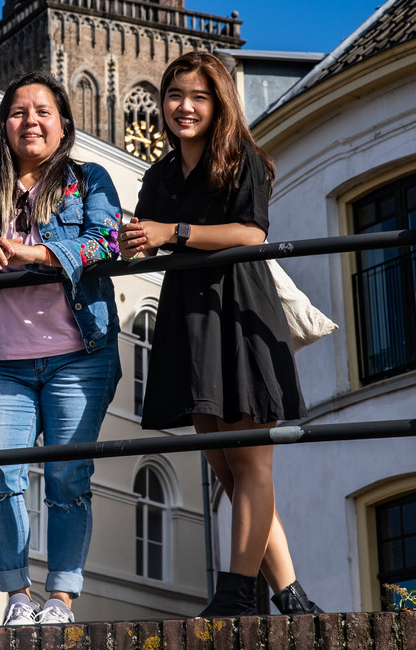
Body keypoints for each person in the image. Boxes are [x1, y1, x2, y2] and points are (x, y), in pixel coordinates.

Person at [117, 51, 323, 617]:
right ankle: (290, 595)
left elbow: (251, 233)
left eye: (198, 97)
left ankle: (236, 594)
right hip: (188, 317)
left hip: (237, 310)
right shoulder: (159, 176)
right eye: (176, 95)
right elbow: (144, 236)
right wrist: (135, 239)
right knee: (224, 465)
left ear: (219, 104)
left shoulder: (242, 159)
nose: (184, 107)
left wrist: (172, 231)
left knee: (251, 462)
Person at [0, 71, 123, 626]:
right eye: (18, 112)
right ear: (3, 126)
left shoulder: (89, 180)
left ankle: (61, 598)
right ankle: (17, 594)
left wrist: (39, 255)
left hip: (80, 353)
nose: (31, 121)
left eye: (43, 111)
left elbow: (108, 240)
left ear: (63, 124)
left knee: (67, 478)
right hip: (7, 363)